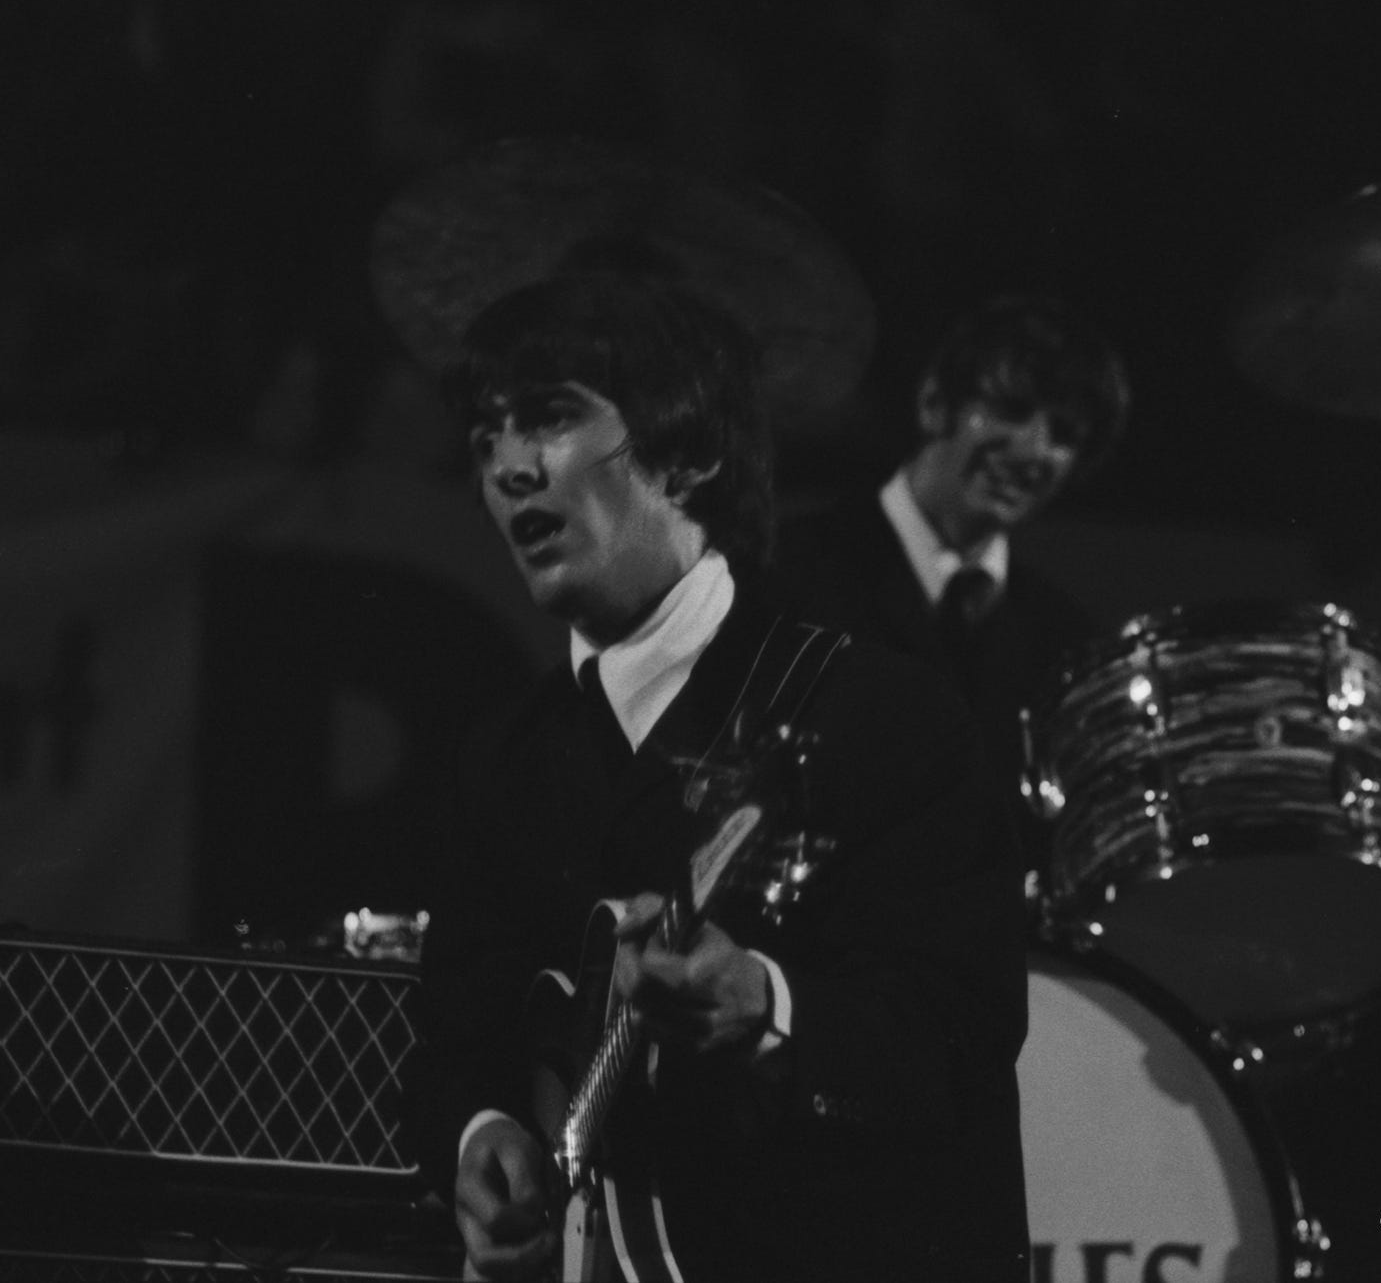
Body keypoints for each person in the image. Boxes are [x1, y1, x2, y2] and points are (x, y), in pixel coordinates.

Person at [401, 272, 1030, 1283]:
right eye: (487, 437)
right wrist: (482, 1139)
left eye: (551, 419)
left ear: (687, 454)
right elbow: (451, 1040)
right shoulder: (501, 758)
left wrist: (769, 1003)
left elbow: (959, 1039)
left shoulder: (878, 712)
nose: (509, 466)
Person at [769, 294, 1131, 870]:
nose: (1035, 450)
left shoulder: (1066, 641)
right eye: (1011, 410)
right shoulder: (784, 565)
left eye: (1064, 432)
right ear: (935, 403)